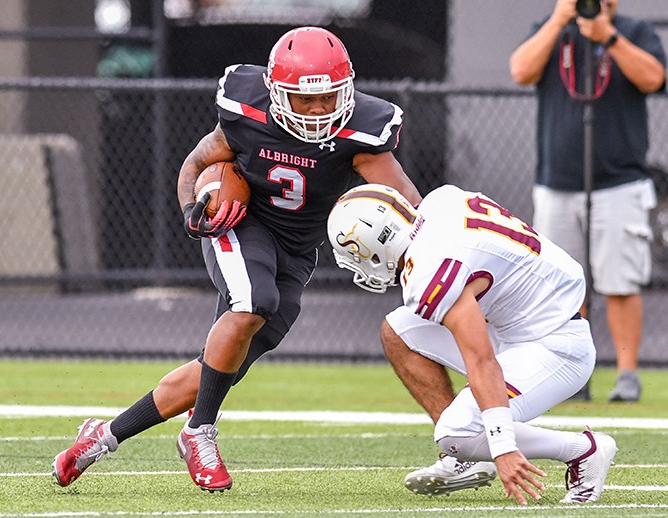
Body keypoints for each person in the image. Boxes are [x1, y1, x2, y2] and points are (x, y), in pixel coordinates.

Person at [52, 26, 464, 493]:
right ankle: (199, 431)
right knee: (252, 303)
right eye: (303, 99)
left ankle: (100, 438)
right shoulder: (247, 112)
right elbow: (195, 162)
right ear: (274, 91)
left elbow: (405, 202)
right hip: (241, 222)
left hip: (297, 250)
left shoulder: (361, 132)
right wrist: (191, 206)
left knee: (220, 365)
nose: (316, 109)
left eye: (328, 98)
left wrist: (430, 245)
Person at [326, 183, 618, 503]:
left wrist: (503, 447)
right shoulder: (439, 202)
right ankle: (463, 457)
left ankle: (583, 450)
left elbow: (482, 360)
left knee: (455, 433)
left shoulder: (428, 274)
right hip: (525, 319)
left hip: (555, 347)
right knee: (398, 330)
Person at [508, 0, 667, 402]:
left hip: (619, 181)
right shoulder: (549, 28)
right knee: (561, 287)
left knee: (621, 282)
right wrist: (561, 19)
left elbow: (653, 77)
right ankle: (570, 377)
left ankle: (627, 375)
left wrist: (608, 37)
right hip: (557, 183)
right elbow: (521, 71)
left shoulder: (635, 31)